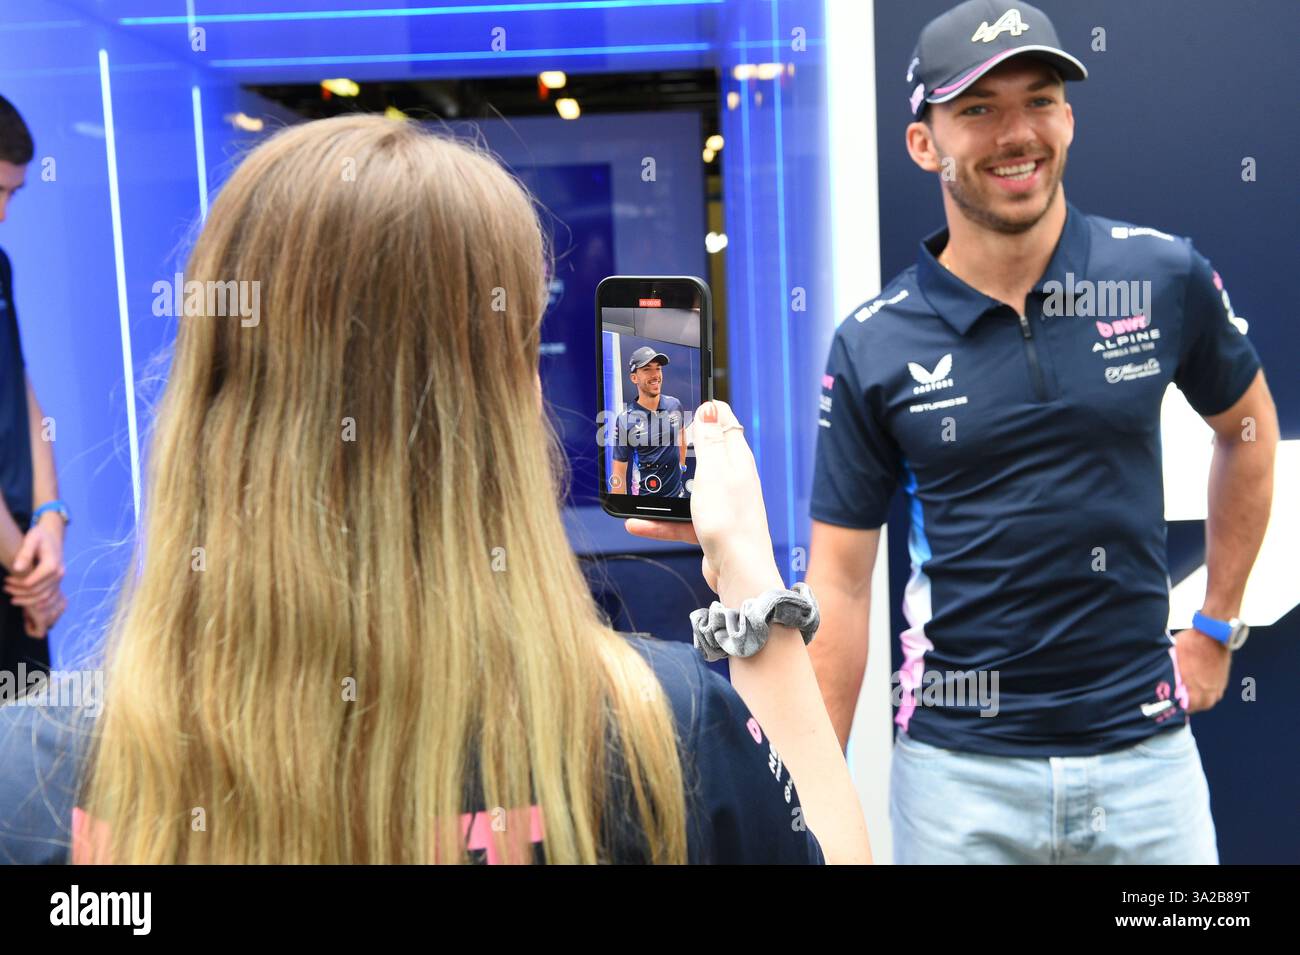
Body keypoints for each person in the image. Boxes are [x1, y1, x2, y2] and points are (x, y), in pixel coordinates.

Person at [0, 114, 869, 864]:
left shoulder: (32, 776)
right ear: (503, 405)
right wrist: (751, 582)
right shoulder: (660, 732)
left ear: (209, 392)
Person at [806, 0, 1277, 864]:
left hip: (1149, 767)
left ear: (1069, 118)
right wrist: (813, 793)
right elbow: (838, 585)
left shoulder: (1160, 275)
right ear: (924, 143)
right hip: (958, 781)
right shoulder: (874, 342)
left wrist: (1214, 626)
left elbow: (1247, 430)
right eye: (978, 109)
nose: (1016, 133)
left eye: (1040, 99)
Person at [0, 92, 68, 687]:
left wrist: (49, 517)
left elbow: (20, 384)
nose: (2, 213)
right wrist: (27, 569)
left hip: (18, 556)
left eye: (11, 194)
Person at [611, 346, 688, 497]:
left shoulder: (674, 404)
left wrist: (682, 466)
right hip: (646, 504)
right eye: (647, 369)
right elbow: (619, 473)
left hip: (677, 499)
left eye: (658, 369)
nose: (655, 375)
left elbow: (681, 435)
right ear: (634, 378)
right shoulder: (625, 420)